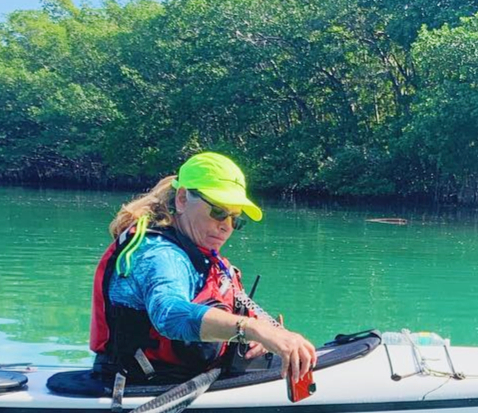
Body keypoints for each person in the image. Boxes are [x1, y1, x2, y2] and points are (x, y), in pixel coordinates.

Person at [90, 151, 316, 384]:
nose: (226, 227)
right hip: (144, 386)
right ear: (182, 199)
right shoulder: (158, 254)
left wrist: (261, 338)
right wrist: (253, 329)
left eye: (235, 219)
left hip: (195, 377)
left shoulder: (200, 251)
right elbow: (169, 314)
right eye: (218, 211)